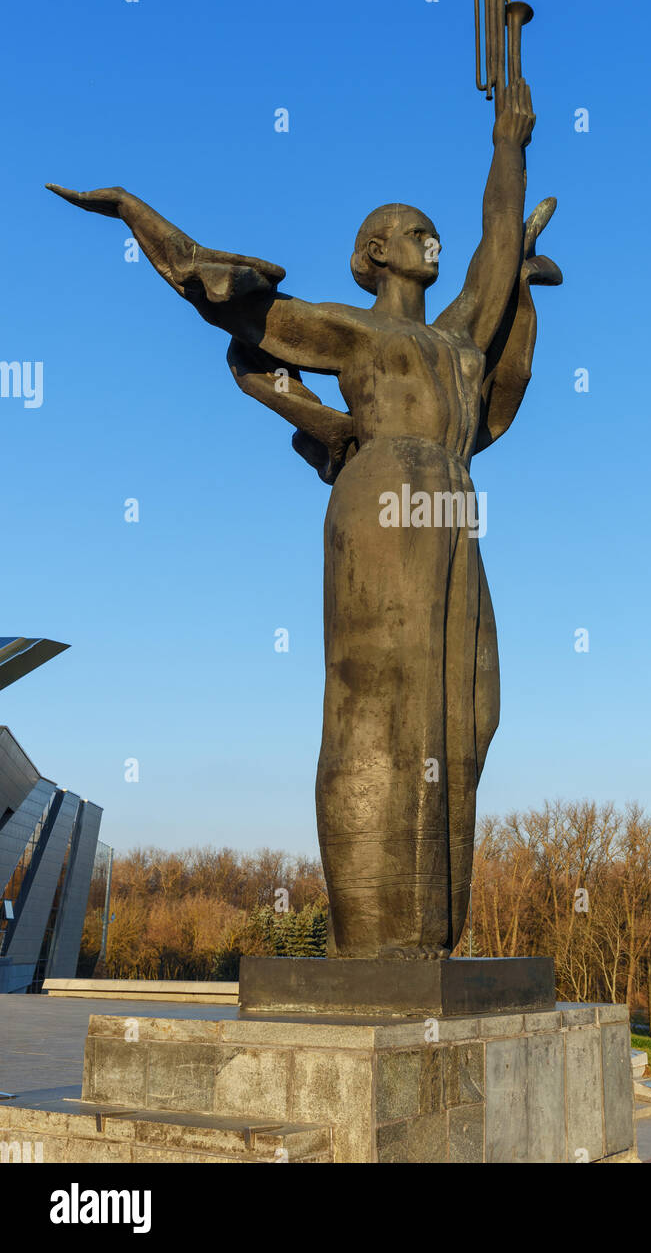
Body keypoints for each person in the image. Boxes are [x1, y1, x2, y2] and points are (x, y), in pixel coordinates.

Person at [47, 76, 561, 958]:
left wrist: (507, 142)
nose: (430, 239)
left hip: (450, 507)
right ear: (376, 251)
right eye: (411, 230)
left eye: (431, 231)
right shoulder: (358, 336)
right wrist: (138, 213)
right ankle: (369, 939)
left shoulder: (457, 337)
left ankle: (431, 936)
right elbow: (245, 313)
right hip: (382, 508)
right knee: (379, 703)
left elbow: (496, 251)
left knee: (468, 710)